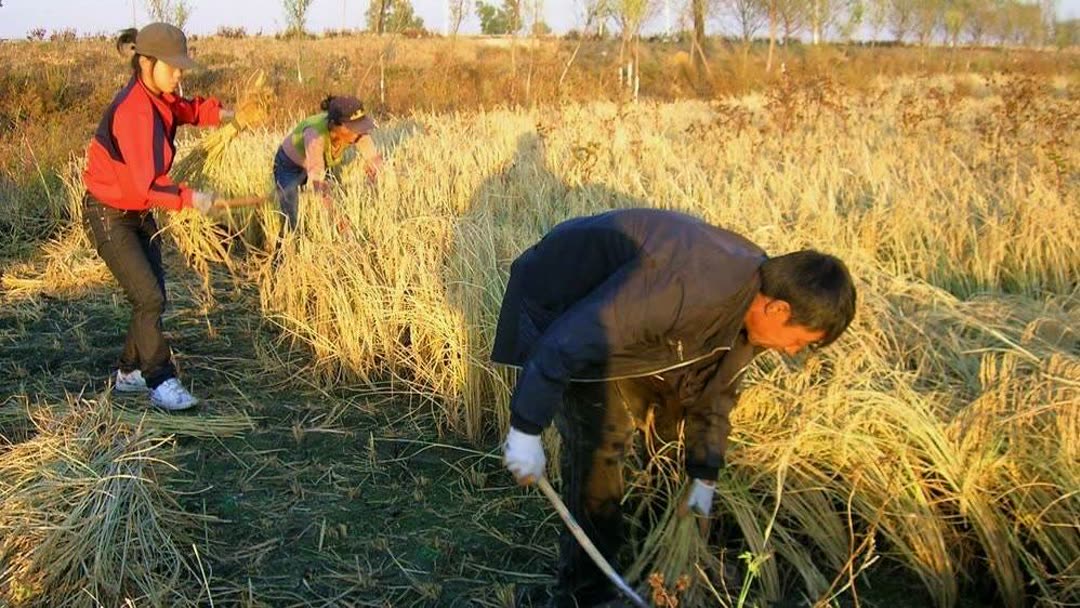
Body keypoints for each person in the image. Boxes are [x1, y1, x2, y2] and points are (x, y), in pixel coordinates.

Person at [492, 208, 857, 607]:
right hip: (561, 297)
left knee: (666, 424)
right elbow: (566, 342)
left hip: (632, 321)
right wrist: (525, 429)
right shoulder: (688, 287)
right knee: (602, 443)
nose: (790, 352)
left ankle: (650, 555)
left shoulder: (751, 306)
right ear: (779, 310)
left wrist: (704, 475)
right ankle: (584, 593)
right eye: (798, 342)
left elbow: (714, 395)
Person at [83, 23, 235, 410]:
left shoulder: (161, 96)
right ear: (146, 62)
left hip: (137, 213)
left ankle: (130, 373)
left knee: (152, 296)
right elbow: (146, 185)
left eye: (182, 66)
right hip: (111, 214)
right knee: (148, 296)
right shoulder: (135, 110)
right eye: (173, 66)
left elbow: (187, 109)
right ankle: (159, 379)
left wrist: (228, 114)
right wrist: (193, 198)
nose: (180, 73)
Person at [272, 95, 382, 231]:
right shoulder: (315, 135)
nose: (359, 133)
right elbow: (317, 181)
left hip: (319, 161)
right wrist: (336, 219)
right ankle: (290, 243)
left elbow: (374, 159)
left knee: (333, 194)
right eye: (353, 128)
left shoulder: (358, 134)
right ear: (334, 125)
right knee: (291, 215)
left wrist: (376, 180)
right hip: (289, 165)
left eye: (360, 126)